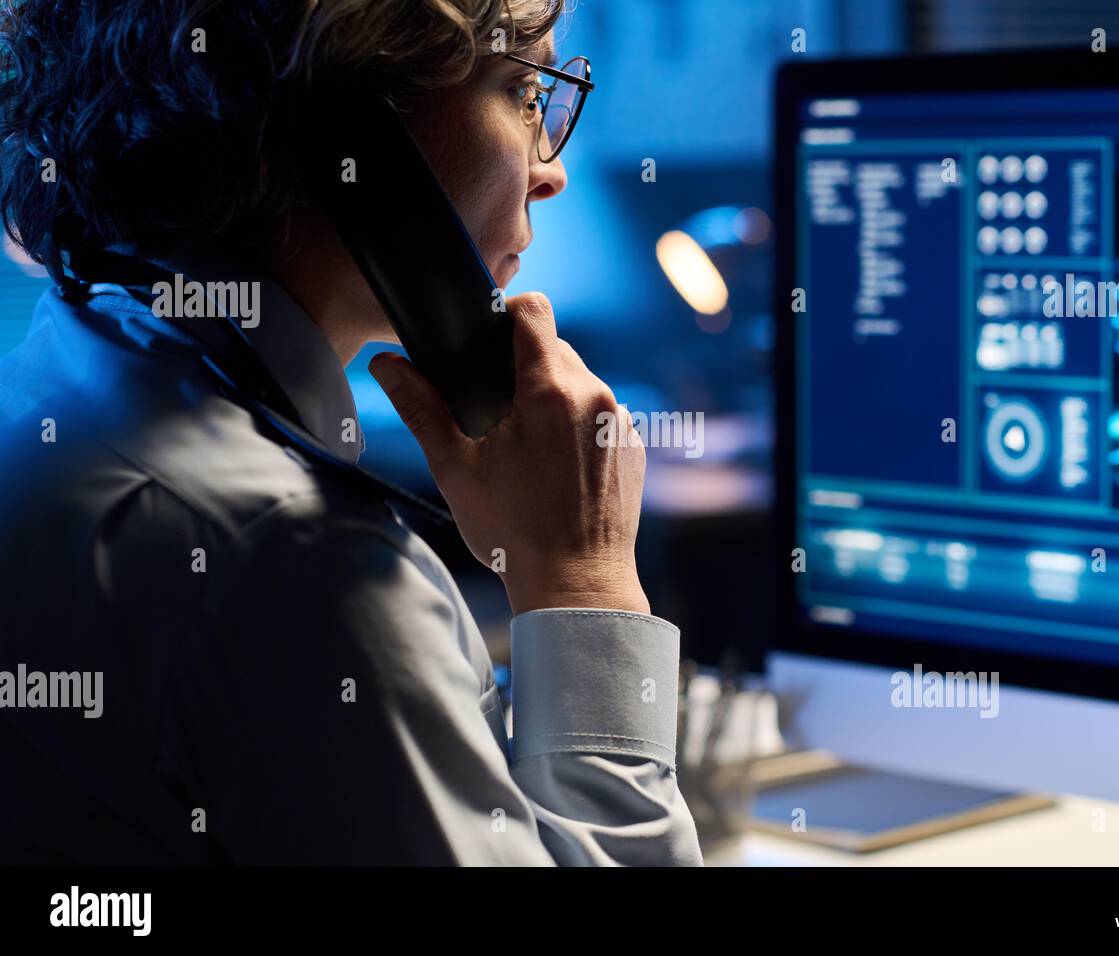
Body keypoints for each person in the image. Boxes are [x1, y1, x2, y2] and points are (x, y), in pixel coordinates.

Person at [0, 0, 703, 866]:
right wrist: (583, 580)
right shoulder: (297, 565)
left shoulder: (64, 381)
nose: (549, 169)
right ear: (356, 138)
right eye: (522, 89)